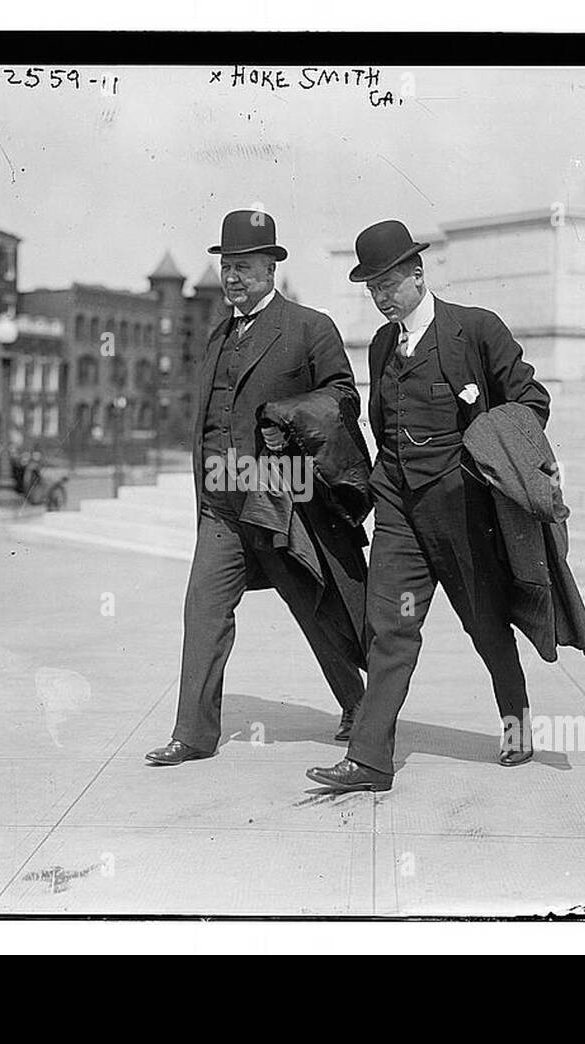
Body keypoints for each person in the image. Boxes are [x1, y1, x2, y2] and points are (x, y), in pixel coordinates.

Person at [307, 219, 585, 793]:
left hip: (464, 512)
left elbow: (531, 400)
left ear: (418, 273)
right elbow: (384, 426)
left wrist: (490, 445)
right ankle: (369, 762)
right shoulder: (384, 345)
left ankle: (516, 726)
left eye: (388, 284)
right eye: (372, 289)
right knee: (390, 626)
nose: (381, 297)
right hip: (400, 508)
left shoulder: (476, 329)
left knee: (486, 626)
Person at [145, 210, 369, 766]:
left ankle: (359, 705)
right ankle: (193, 735)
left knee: (312, 603)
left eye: (244, 267)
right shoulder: (218, 330)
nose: (233, 278)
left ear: (271, 268)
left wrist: (290, 414)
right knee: (203, 609)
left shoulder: (309, 327)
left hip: (278, 498)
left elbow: (343, 396)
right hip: (221, 502)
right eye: (227, 267)